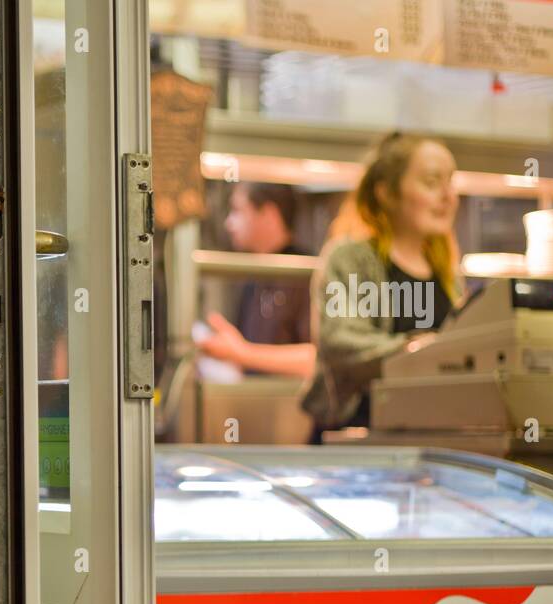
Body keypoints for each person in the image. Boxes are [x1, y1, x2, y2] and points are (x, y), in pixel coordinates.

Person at [303, 132, 462, 437]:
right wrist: (415, 350)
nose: (448, 196)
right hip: (356, 442)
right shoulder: (348, 258)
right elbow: (340, 343)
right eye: (431, 182)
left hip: (427, 440)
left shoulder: (448, 273)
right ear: (387, 193)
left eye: (450, 182)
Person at [196, 182, 315, 378]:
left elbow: (317, 359)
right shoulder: (253, 275)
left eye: (237, 210)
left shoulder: (305, 272)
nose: (229, 223)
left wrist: (242, 353)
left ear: (268, 214)